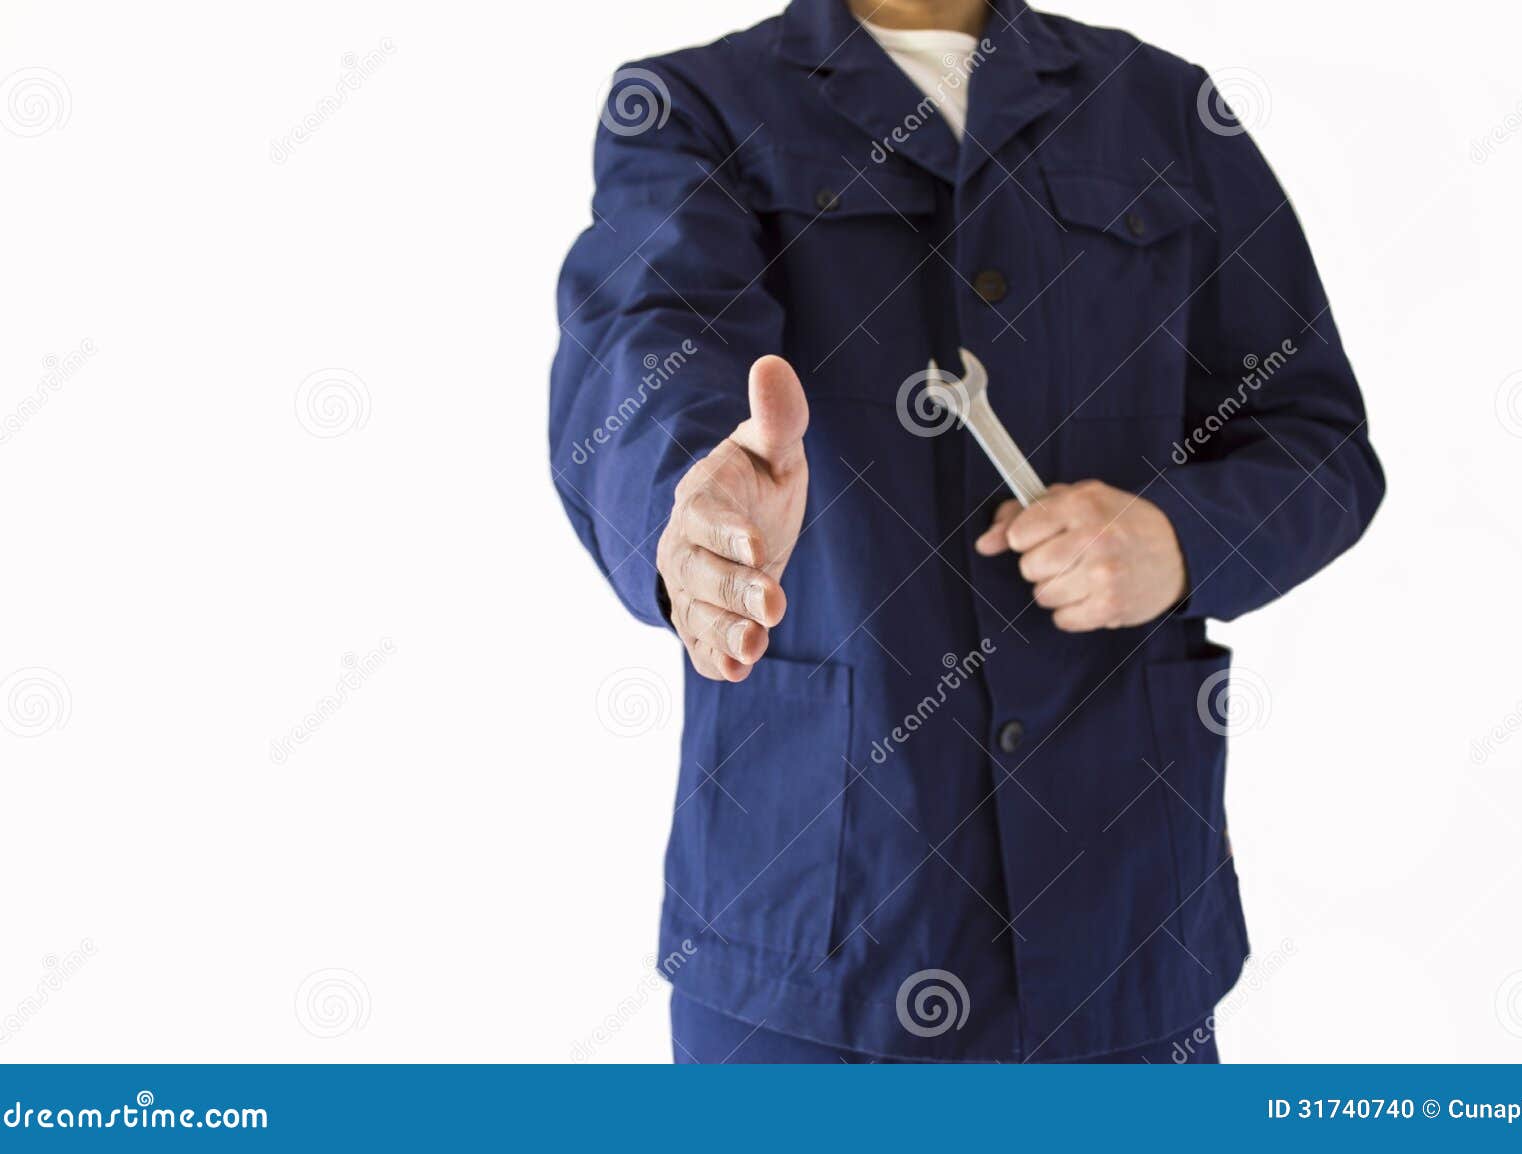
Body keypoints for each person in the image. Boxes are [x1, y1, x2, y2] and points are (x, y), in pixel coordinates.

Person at [550, 0, 1384, 1063]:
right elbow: (643, 346)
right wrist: (691, 509)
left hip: (1122, 923)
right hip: (816, 944)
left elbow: (1316, 436)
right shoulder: (692, 109)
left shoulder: (1166, 109)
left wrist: (1181, 539)